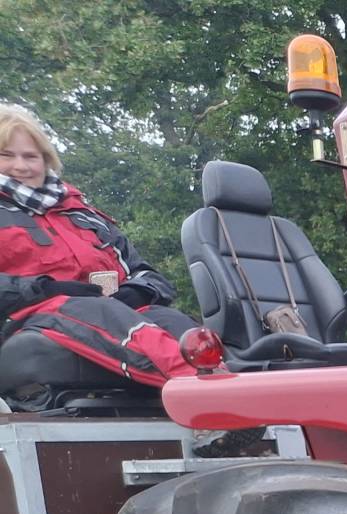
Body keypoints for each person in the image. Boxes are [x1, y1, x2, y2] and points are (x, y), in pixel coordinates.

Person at [0, 104, 199, 378]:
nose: (20, 166)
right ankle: (203, 385)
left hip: (107, 313)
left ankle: (227, 376)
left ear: (45, 161)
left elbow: (145, 273)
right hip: (25, 319)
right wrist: (47, 289)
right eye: (6, 155)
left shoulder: (82, 214)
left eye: (30, 156)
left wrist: (137, 292)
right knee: (104, 313)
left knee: (172, 321)